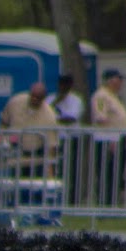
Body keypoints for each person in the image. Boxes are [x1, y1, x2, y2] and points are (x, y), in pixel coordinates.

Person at [91, 68, 126, 206]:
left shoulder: (113, 96)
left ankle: (112, 203)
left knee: (116, 174)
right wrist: (112, 139)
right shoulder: (101, 96)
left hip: (117, 139)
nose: (121, 83)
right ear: (110, 81)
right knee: (107, 174)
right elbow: (101, 118)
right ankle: (105, 204)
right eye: (118, 80)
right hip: (108, 141)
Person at [0, 81, 58, 171]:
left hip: (35, 154)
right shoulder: (15, 102)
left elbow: (51, 145)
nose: (34, 99)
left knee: (34, 181)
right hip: (14, 149)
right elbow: (4, 122)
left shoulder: (50, 116)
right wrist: (4, 141)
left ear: (43, 98)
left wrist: (49, 169)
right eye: (32, 96)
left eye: (37, 97)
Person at [51, 73, 86, 205]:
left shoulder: (76, 100)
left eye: (66, 85)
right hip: (55, 139)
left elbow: (71, 119)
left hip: (71, 139)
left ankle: (72, 200)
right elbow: (46, 114)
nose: (63, 87)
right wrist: (56, 102)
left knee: (71, 170)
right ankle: (56, 198)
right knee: (55, 168)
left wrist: (55, 120)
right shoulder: (51, 99)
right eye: (61, 84)